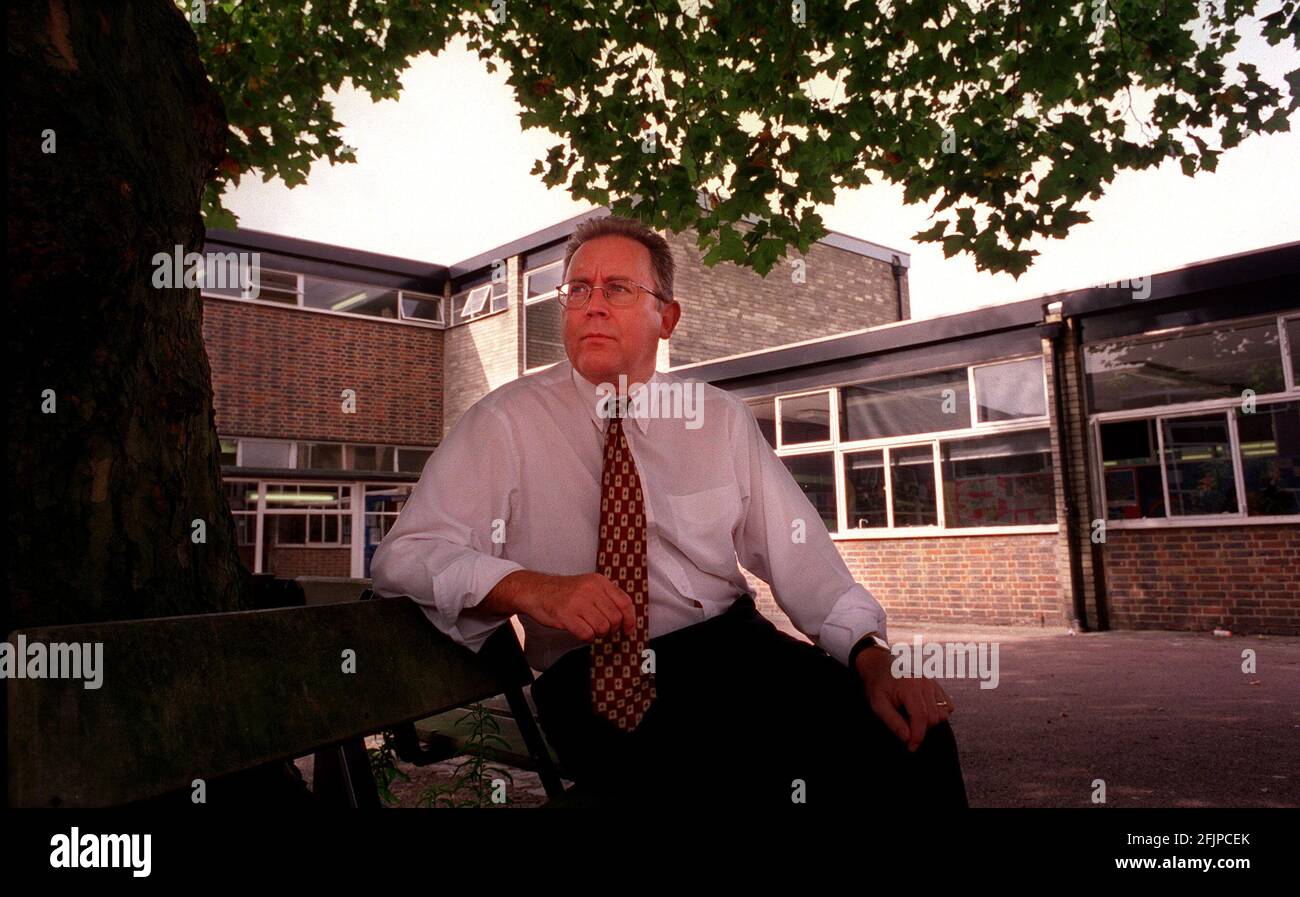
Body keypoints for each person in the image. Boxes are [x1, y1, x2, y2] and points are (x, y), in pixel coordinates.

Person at [371, 215, 968, 807]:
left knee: (916, 734)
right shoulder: (503, 423)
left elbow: (802, 559)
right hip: (596, 676)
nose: (593, 305)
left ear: (668, 317)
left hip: (735, 654)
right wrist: (527, 588)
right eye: (578, 289)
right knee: (731, 774)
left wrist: (871, 653)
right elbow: (406, 557)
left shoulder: (717, 419)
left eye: (617, 289)